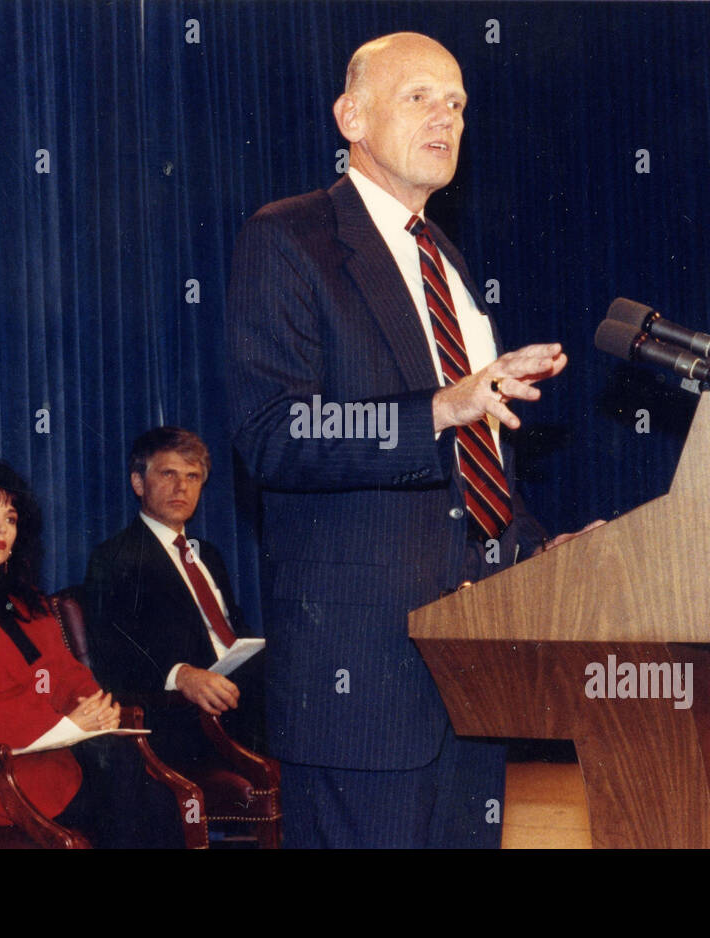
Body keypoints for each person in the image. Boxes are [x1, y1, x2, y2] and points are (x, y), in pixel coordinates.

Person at [226, 32, 599, 848]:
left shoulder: (447, 261)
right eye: (420, 96)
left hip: (470, 665)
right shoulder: (290, 240)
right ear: (351, 116)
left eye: (459, 103)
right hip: (360, 675)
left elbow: (472, 466)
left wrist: (539, 552)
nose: (447, 117)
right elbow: (273, 434)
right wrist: (437, 406)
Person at [0, 460, 182, 848]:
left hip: (58, 758)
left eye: (11, 518)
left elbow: (64, 671)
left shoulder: (25, 602)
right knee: (130, 790)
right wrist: (66, 722)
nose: (2, 528)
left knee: (153, 790)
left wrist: (93, 706)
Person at [82, 427, 264, 770]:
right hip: (181, 714)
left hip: (240, 698)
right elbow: (114, 653)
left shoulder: (207, 555)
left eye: (193, 477)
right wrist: (180, 675)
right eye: (169, 474)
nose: (182, 487)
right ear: (139, 483)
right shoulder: (114, 558)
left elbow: (234, 632)